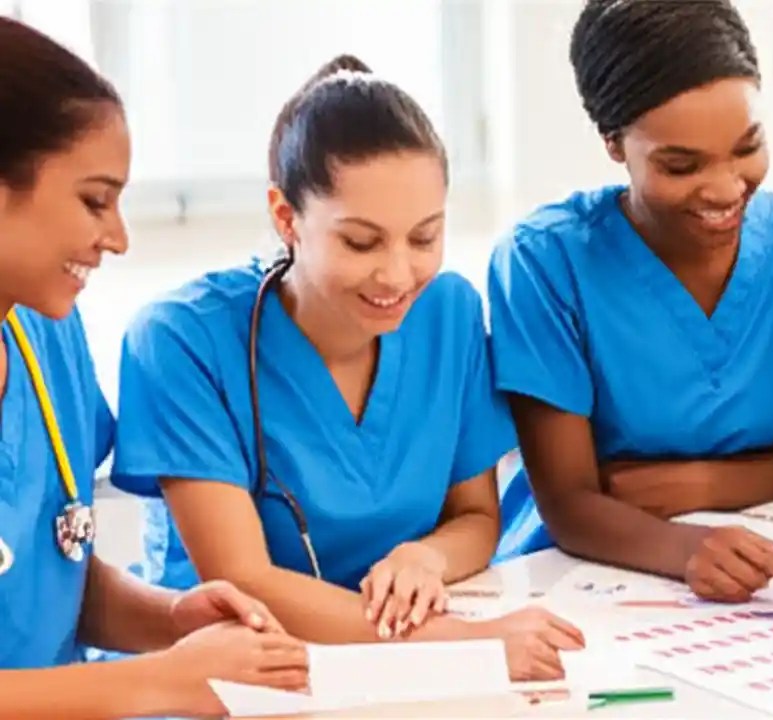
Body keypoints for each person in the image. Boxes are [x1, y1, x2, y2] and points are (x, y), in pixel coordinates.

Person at [110, 55, 583, 681]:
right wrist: (468, 646)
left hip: (403, 654)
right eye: (361, 242)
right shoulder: (181, 339)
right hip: (236, 671)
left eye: (424, 237)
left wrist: (426, 559)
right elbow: (243, 577)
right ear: (287, 219)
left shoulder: (449, 313)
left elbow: (475, 518)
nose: (396, 275)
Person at [0, 17, 309, 719]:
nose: (117, 237)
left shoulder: (45, 336)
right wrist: (159, 681)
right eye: (94, 200)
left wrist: (174, 620)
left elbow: (55, 576)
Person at [489, 0, 773, 602]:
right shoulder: (544, 261)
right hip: (578, 576)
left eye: (747, 147)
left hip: (766, 561)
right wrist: (685, 550)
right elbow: (569, 503)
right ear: (614, 144)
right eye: (681, 164)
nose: (725, 188)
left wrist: (697, 484)